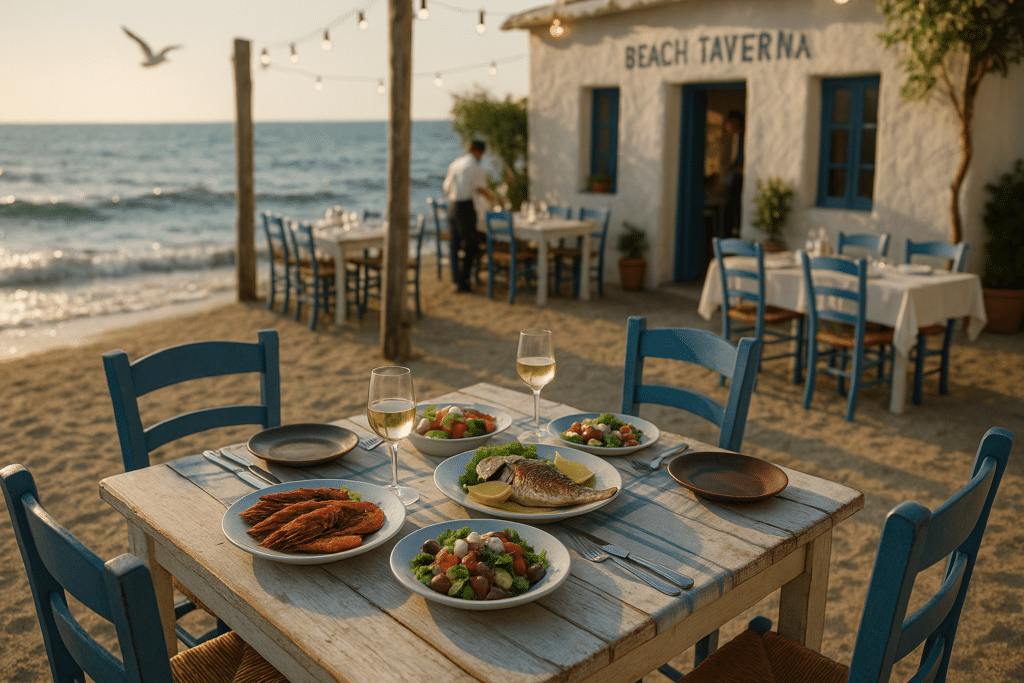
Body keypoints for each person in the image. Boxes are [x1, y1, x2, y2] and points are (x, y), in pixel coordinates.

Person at [442, 140, 501, 292]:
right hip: (465, 207)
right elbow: (480, 188)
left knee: (454, 244)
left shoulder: (455, 164)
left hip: (453, 206)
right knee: (471, 243)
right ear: (479, 152)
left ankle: (457, 280)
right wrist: (494, 198)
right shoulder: (475, 166)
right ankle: (464, 279)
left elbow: (446, 188)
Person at [723, 110, 745, 239]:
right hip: (731, 176)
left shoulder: (744, 138)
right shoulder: (731, 139)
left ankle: (734, 231)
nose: (727, 127)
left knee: (735, 205)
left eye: (729, 123)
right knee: (728, 206)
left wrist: (742, 169)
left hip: (740, 178)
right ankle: (726, 235)